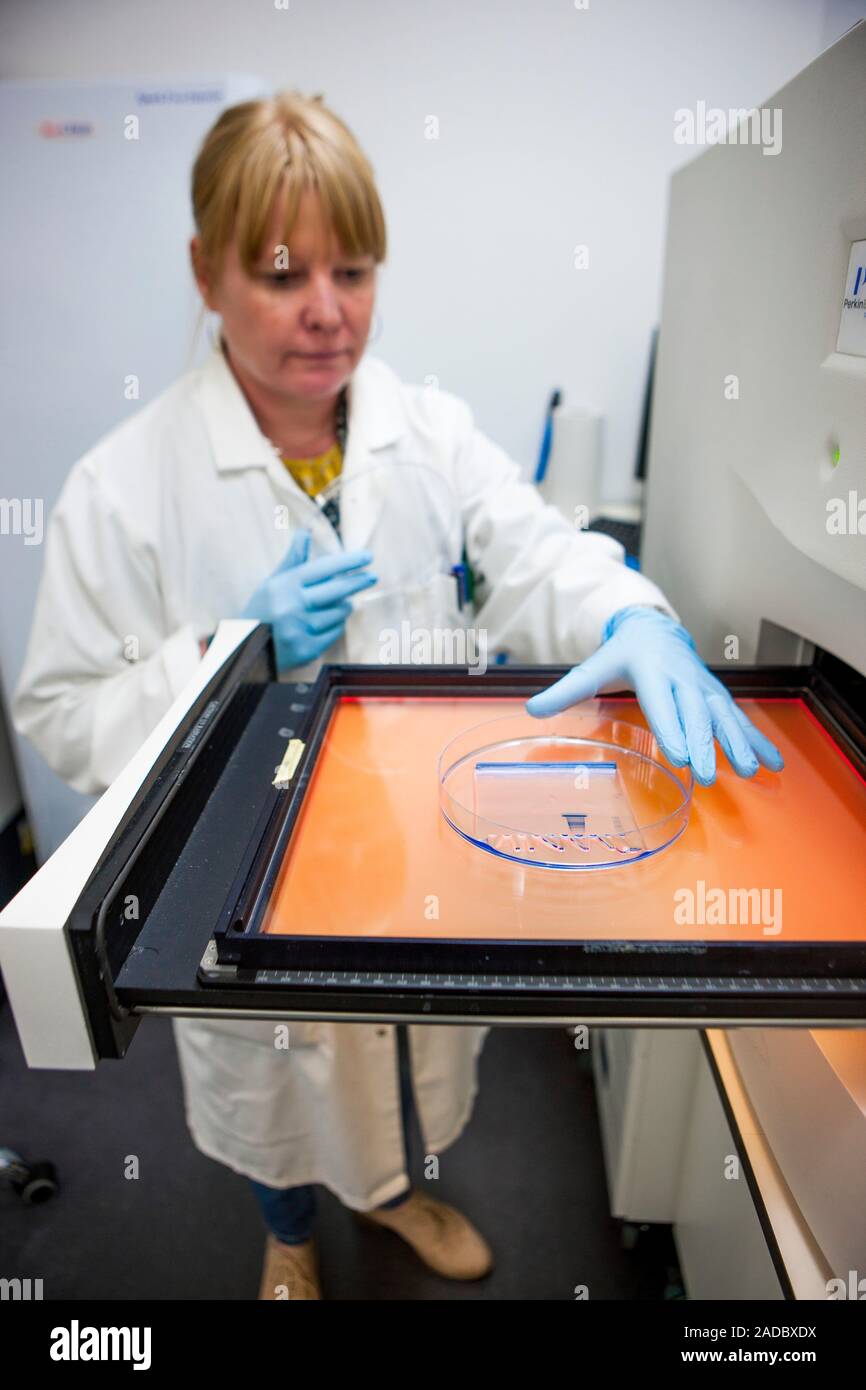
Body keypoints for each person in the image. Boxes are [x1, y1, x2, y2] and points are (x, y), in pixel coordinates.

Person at [11, 91, 783, 1302]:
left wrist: (631, 612)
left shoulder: (426, 432)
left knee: (402, 1086)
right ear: (205, 272)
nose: (326, 311)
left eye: (353, 269)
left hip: (406, 869)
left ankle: (395, 1198)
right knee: (272, 1103)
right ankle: (286, 1234)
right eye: (280, 274)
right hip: (242, 895)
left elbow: (532, 548)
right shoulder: (123, 487)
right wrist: (233, 646)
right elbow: (60, 709)